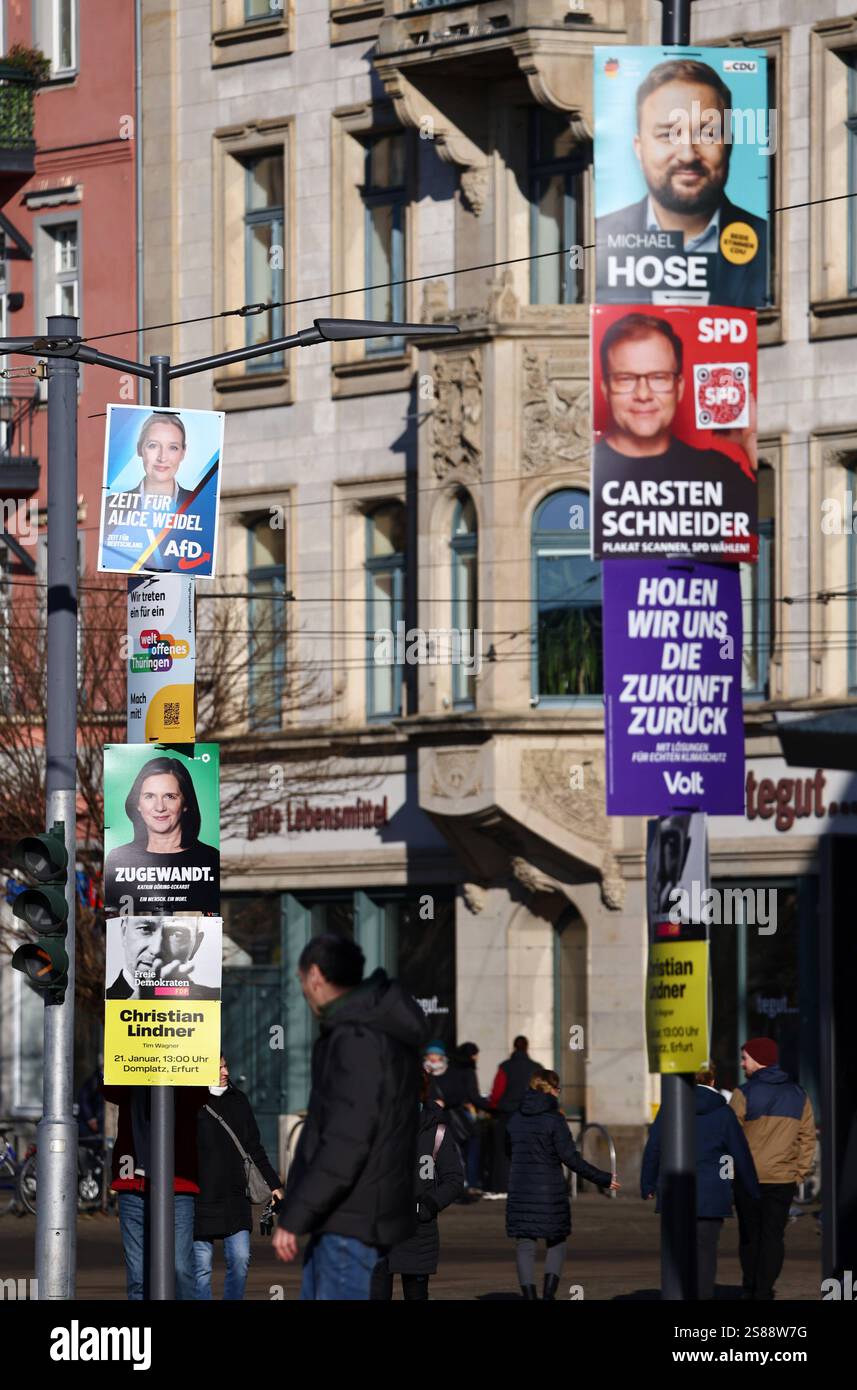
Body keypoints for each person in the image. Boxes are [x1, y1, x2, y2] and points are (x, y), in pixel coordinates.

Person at [272, 934, 427, 1299]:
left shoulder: (356, 1037)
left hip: (349, 1219)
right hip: (352, 1215)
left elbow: (346, 1140)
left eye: (300, 981)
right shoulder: (374, 1030)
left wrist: (295, 1216)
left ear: (315, 976)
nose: (303, 992)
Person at [596, 58, 768, 307]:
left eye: (707, 134)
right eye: (668, 134)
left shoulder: (770, 244)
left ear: (728, 144)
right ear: (639, 148)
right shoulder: (598, 240)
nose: (688, 154)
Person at [594, 312, 757, 555]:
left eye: (659, 377)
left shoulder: (716, 471)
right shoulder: (587, 470)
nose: (643, 394)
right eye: (625, 378)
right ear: (605, 389)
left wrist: (750, 437)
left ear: (679, 388)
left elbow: (772, 525)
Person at [640, 1063, 760, 1299]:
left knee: (676, 1252)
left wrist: (648, 1184)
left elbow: (654, 1148)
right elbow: (740, 1153)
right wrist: (753, 1189)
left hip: (676, 1191)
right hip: (711, 1194)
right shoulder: (724, 1113)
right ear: (712, 1081)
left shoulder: (671, 1108)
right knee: (705, 1253)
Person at [507, 1069, 619, 1299]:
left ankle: (529, 1296)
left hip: (520, 1188)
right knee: (556, 1240)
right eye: (559, 1090)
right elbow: (571, 1158)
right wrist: (604, 1178)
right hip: (549, 1191)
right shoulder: (554, 1119)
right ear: (551, 1089)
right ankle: (548, 1295)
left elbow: (508, 1150)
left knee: (525, 1243)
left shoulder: (515, 1118)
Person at [729, 1038, 817, 1301]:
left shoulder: (743, 1093)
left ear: (757, 1060)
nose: (742, 1063)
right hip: (782, 1179)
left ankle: (750, 1286)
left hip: (748, 1179)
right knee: (773, 1236)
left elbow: (729, 1137)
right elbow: (807, 1138)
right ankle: (764, 1291)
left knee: (749, 1235)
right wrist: (799, 1172)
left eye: (745, 1058)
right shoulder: (799, 1094)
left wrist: (728, 1174)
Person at [103, 1083, 208, 1300]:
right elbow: (109, 1089)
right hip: (133, 1181)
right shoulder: (132, 1067)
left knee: (181, 1269)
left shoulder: (188, 1073)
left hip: (179, 1183)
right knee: (138, 1276)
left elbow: (200, 1097)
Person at [193, 1055, 284, 1300]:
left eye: (225, 1066)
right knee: (200, 1268)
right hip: (200, 1197)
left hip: (236, 1197)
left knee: (241, 1259)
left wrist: (275, 1185)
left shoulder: (239, 1100)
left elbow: (255, 1148)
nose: (225, 1072)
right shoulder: (191, 1102)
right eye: (218, 1067)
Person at [372, 1073, 464, 1301]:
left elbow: (453, 1179)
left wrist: (429, 1204)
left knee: (416, 1295)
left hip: (418, 1230)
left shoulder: (436, 1131)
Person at [103, 755, 220, 914]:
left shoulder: (209, 858)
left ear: (185, 803)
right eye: (149, 796)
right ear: (137, 804)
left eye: (170, 796)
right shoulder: (118, 858)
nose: (159, 807)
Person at [106, 917, 219, 999]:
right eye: (145, 929)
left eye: (177, 935)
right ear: (124, 932)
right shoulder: (96, 1005)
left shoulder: (220, 1005)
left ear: (196, 945)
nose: (156, 950)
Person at [430, 1040, 490, 1194]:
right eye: (430, 1054)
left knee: (453, 1151)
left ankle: (461, 1182)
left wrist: (445, 1101)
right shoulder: (464, 1071)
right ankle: (468, 1181)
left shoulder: (452, 1071)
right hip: (446, 1116)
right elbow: (471, 1094)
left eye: (435, 1055)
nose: (432, 1058)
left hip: (450, 1116)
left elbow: (458, 1094)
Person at [487, 1036, 543, 1196]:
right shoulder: (536, 1068)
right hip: (530, 1115)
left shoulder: (505, 1067)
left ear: (513, 1047)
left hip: (507, 1114)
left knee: (502, 1152)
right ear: (527, 1047)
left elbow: (497, 1093)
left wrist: (493, 1106)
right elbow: (541, 1092)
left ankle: (501, 1187)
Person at [132, 412, 193, 507]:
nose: (162, 457)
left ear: (183, 453)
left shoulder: (200, 504)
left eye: (173, 447)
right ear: (139, 449)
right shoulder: (110, 506)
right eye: (153, 445)